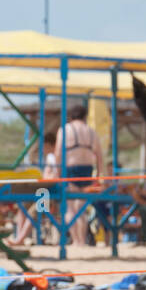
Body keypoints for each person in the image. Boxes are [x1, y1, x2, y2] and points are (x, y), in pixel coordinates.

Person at [55, 103, 106, 246]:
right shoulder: (91, 131)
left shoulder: (65, 130)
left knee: (70, 207)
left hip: (70, 170)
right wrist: (99, 176)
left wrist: (58, 174)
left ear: (70, 116)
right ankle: (81, 240)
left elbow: (58, 153)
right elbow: (100, 155)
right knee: (81, 208)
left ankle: (76, 240)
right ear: (85, 116)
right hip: (87, 170)